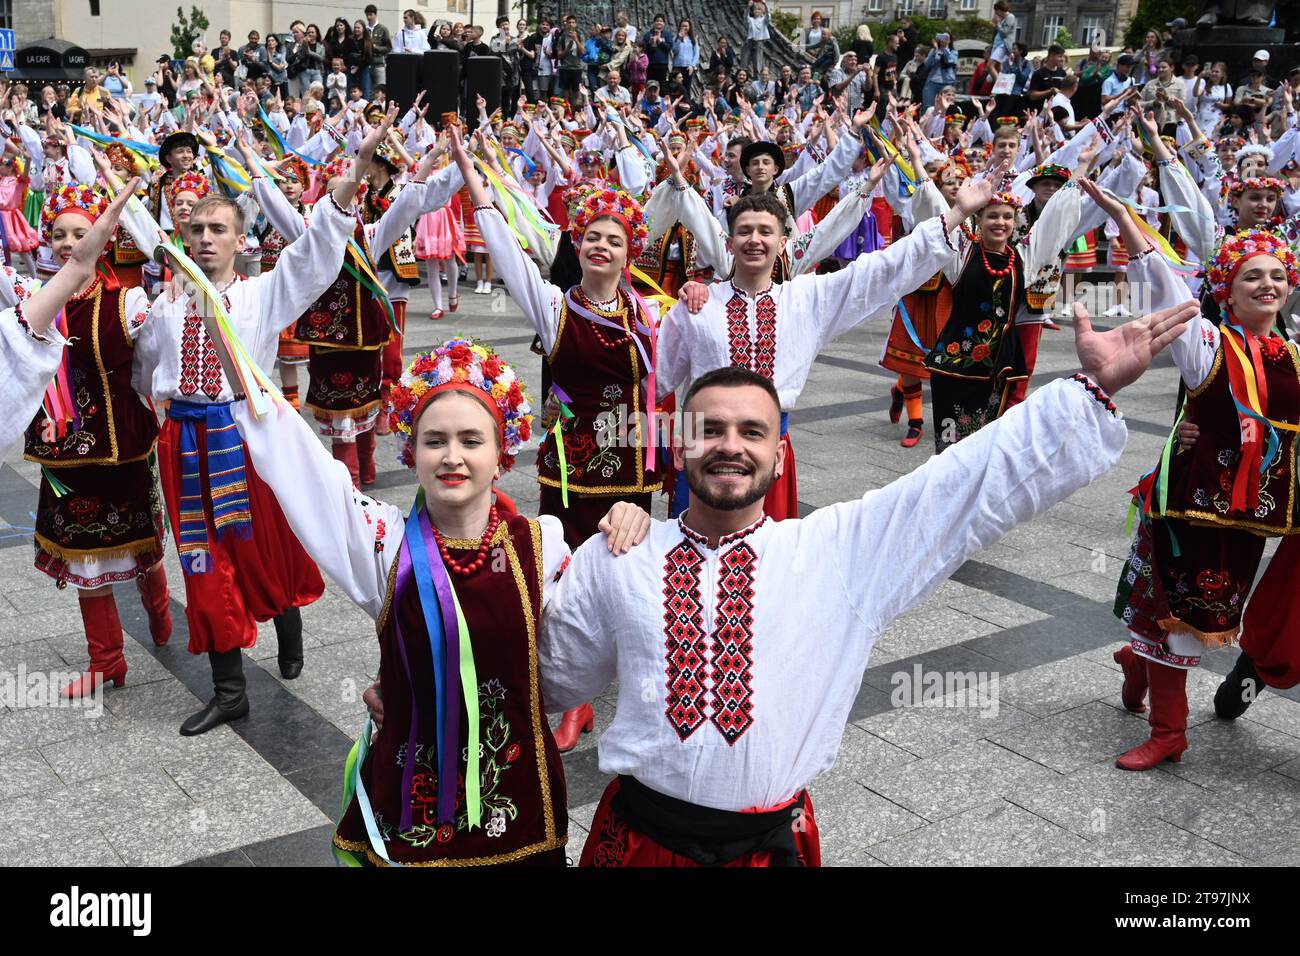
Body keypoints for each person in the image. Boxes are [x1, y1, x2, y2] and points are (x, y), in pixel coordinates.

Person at [537, 301, 1196, 866]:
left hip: (768, 846)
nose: (729, 446)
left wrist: (1087, 391)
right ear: (680, 446)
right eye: (709, 429)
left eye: (751, 431)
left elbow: (958, 487)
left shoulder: (833, 550)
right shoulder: (620, 555)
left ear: (779, 452)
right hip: (636, 843)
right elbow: (547, 676)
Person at [235, 332, 648, 866]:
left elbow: (582, 653)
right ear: (411, 453)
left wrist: (635, 525)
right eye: (435, 441)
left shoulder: (540, 549)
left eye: (472, 440)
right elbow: (304, 472)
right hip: (410, 801)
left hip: (517, 799)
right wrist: (225, 334)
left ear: (501, 454)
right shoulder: (383, 544)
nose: (453, 456)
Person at [112, 106, 398, 736]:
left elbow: (319, 250)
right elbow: (145, 376)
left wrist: (353, 174)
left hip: (248, 440)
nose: (207, 237)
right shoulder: (163, 308)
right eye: (197, 229)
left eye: (219, 228)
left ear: (241, 240)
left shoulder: (262, 293)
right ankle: (229, 687)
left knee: (262, 548)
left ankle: (288, 619)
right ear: (184, 239)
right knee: (201, 558)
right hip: (184, 443)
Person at [450, 126, 661, 752]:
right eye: (592, 237)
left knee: (623, 573)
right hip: (567, 464)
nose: (601, 246)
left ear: (630, 254)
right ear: (578, 243)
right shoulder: (556, 308)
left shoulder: (650, 316)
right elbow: (508, 254)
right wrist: (472, 179)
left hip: (629, 466)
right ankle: (575, 695)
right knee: (564, 575)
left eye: (614, 240)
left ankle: (627, 676)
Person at [1108, 195, 1300, 770]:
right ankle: (1170, 733)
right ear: (1226, 289)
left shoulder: (1293, 354)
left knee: (1209, 617)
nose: (1267, 285)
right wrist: (1127, 224)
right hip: (1190, 509)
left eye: (1277, 276)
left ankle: (1140, 663)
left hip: (1253, 521)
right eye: (1251, 277)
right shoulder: (1208, 343)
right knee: (1189, 618)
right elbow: (1165, 290)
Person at [21, 181, 173, 700]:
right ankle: (106, 660)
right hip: (60, 449)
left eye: (79, 233)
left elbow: (151, 367)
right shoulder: (36, 299)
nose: (68, 242)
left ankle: (157, 601)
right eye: (59, 235)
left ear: (102, 239)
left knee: (135, 542)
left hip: (117, 447)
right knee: (86, 556)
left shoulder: (127, 300)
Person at [366, 4, 392, 89]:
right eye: (367, 15)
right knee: (368, 91)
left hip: (379, 64)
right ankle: (370, 103)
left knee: (380, 90)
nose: (369, 17)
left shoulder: (383, 29)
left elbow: (388, 48)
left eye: (371, 14)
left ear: (375, 15)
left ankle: (380, 103)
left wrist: (375, 48)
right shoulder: (365, 30)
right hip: (367, 64)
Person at [672, 19, 700, 98]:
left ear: (689, 27)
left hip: (688, 67)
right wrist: (679, 39)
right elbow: (674, 51)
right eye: (682, 26)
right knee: (676, 88)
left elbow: (696, 53)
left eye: (686, 26)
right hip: (677, 67)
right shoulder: (675, 38)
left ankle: (687, 106)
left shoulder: (693, 39)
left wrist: (692, 65)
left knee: (686, 88)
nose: (684, 27)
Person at [746, 2, 771, 77]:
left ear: (762, 11)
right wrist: (748, 7)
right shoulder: (751, 20)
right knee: (746, 60)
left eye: (759, 9)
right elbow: (745, 17)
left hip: (759, 42)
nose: (756, 11)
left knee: (757, 61)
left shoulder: (763, 20)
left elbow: (768, 17)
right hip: (750, 41)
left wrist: (765, 5)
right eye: (755, 9)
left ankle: (757, 76)